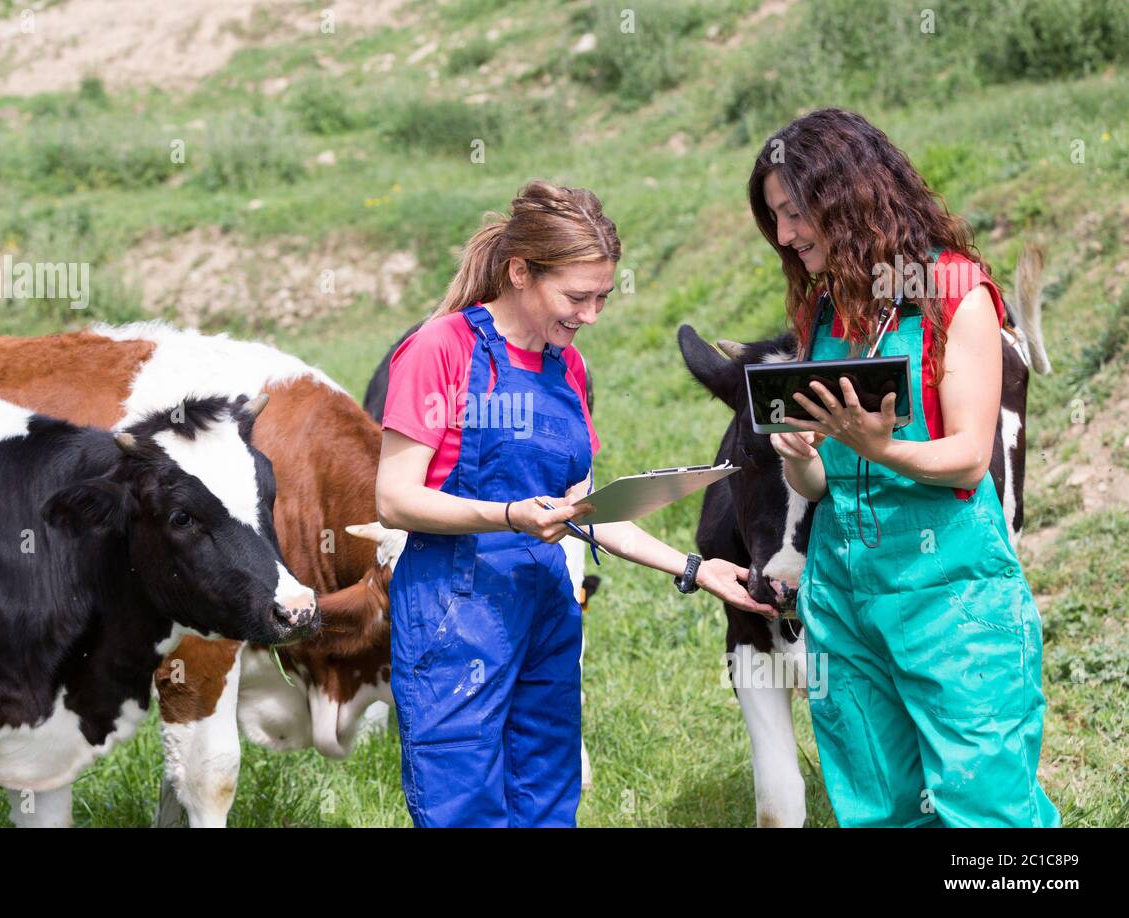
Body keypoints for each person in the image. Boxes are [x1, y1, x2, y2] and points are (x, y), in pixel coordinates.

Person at [375, 180, 774, 827]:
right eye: (576, 296)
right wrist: (507, 515)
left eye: (603, 298)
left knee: (549, 801)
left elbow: (585, 510)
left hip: (544, 611)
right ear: (519, 272)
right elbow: (393, 499)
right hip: (452, 617)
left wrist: (697, 570)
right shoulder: (441, 350)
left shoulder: (570, 369)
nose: (590, 315)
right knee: (464, 808)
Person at [754, 109, 1060, 827]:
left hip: (949, 591)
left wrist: (878, 445)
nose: (787, 236)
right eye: (775, 219)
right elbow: (825, 484)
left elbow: (966, 455)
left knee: (984, 802)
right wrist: (800, 461)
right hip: (844, 593)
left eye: (796, 214)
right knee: (878, 805)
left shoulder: (955, 290)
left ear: (848, 196)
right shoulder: (825, 308)